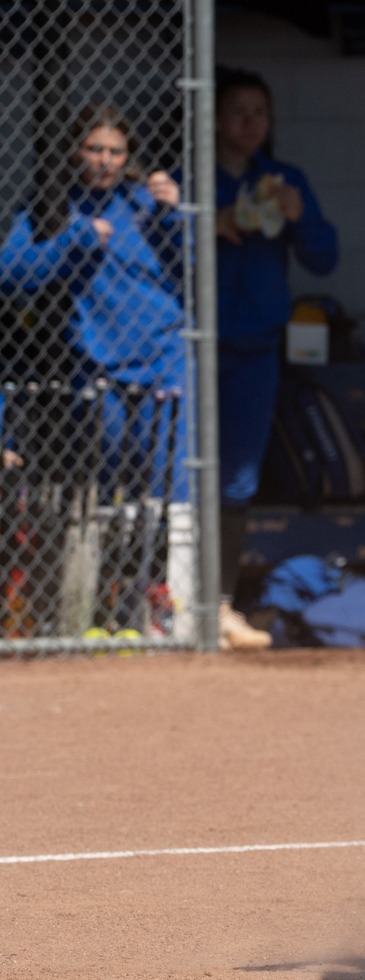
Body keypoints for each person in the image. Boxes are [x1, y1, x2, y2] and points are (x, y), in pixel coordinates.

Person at [0, 102, 189, 635]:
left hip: (162, 358)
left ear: (129, 157)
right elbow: (11, 274)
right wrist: (72, 241)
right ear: (75, 152)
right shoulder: (55, 209)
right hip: (98, 363)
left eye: (115, 151)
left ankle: (169, 608)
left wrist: (176, 215)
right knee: (108, 489)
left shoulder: (145, 202)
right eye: (95, 149)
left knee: (166, 488)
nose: (105, 160)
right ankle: (103, 609)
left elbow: (193, 262)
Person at [199, 67, 339, 649]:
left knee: (237, 479)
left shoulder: (283, 179)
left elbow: (326, 259)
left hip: (256, 348)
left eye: (260, 113)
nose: (249, 123)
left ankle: (220, 605)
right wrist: (210, 226)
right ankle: (169, 602)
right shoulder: (192, 181)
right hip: (193, 348)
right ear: (214, 119)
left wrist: (300, 214)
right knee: (180, 475)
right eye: (238, 112)